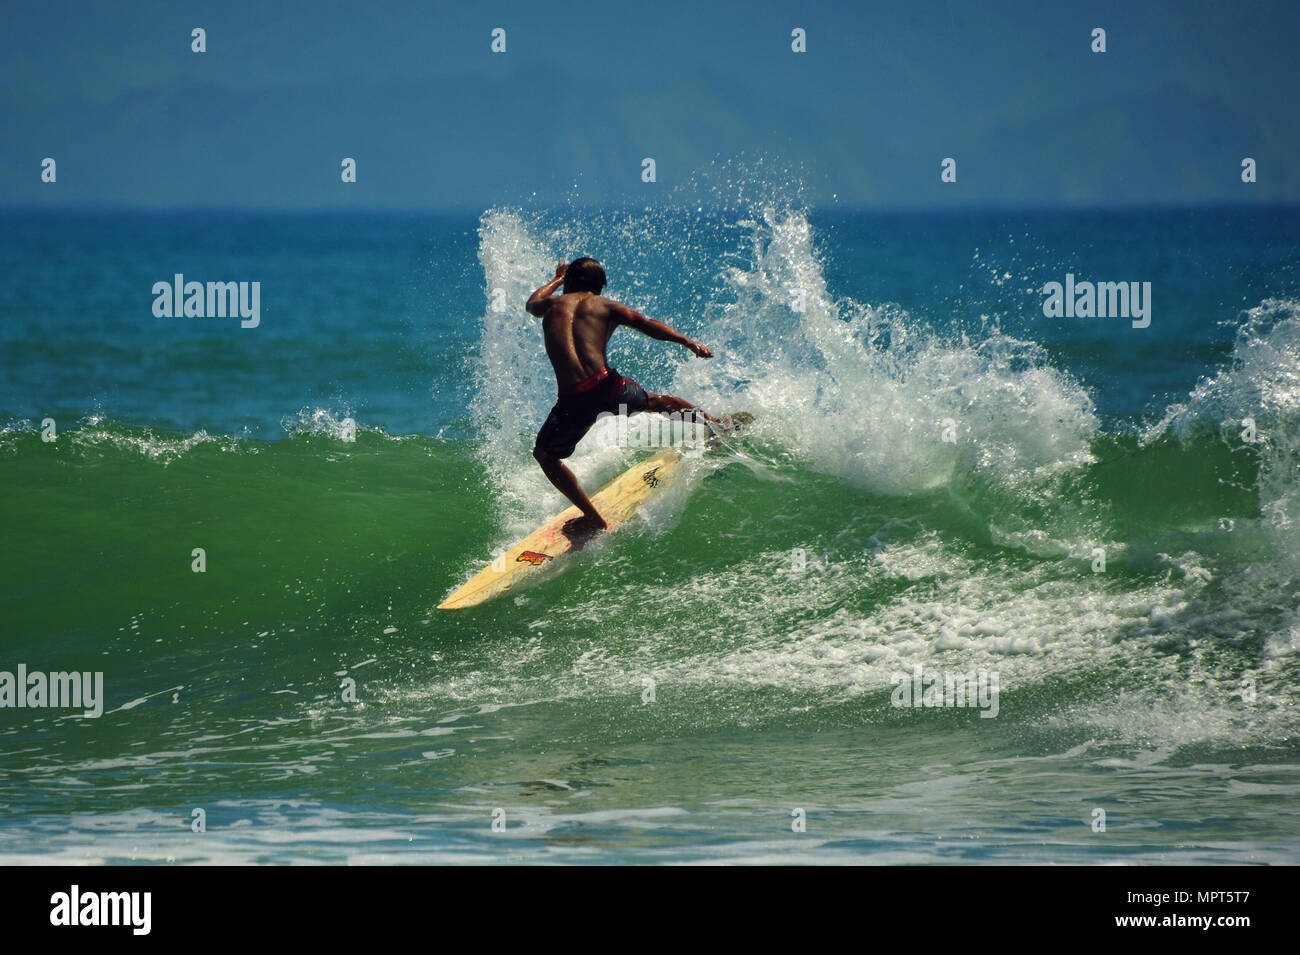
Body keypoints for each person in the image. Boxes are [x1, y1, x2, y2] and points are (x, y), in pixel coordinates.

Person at [526, 257, 715, 534]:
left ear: (569, 283)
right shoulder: (607, 306)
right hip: (606, 386)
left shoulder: (551, 304)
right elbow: (647, 324)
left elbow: (532, 303)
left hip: (572, 401)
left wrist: (557, 279)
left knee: (546, 456)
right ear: (599, 286)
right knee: (656, 402)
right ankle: (714, 423)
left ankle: (593, 519)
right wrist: (687, 341)